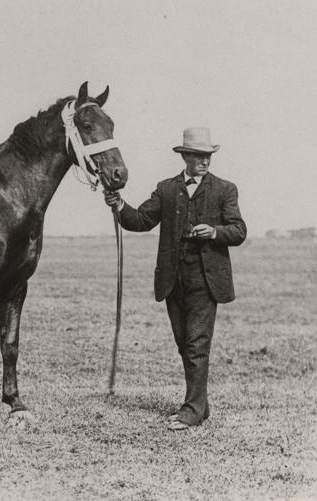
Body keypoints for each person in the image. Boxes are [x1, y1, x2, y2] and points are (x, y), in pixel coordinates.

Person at [104, 127, 246, 431]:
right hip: (173, 280)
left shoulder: (225, 189)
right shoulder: (167, 189)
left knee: (197, 344)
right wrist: (119, 205)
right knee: (184, 343)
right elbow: (141, 220)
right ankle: (201, 405)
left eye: (207, 156)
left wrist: (215, 232)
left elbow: (239, 231)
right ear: (186, 157)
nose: (204, 161)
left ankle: (191, 410)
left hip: (206, 282)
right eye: (198, 156)